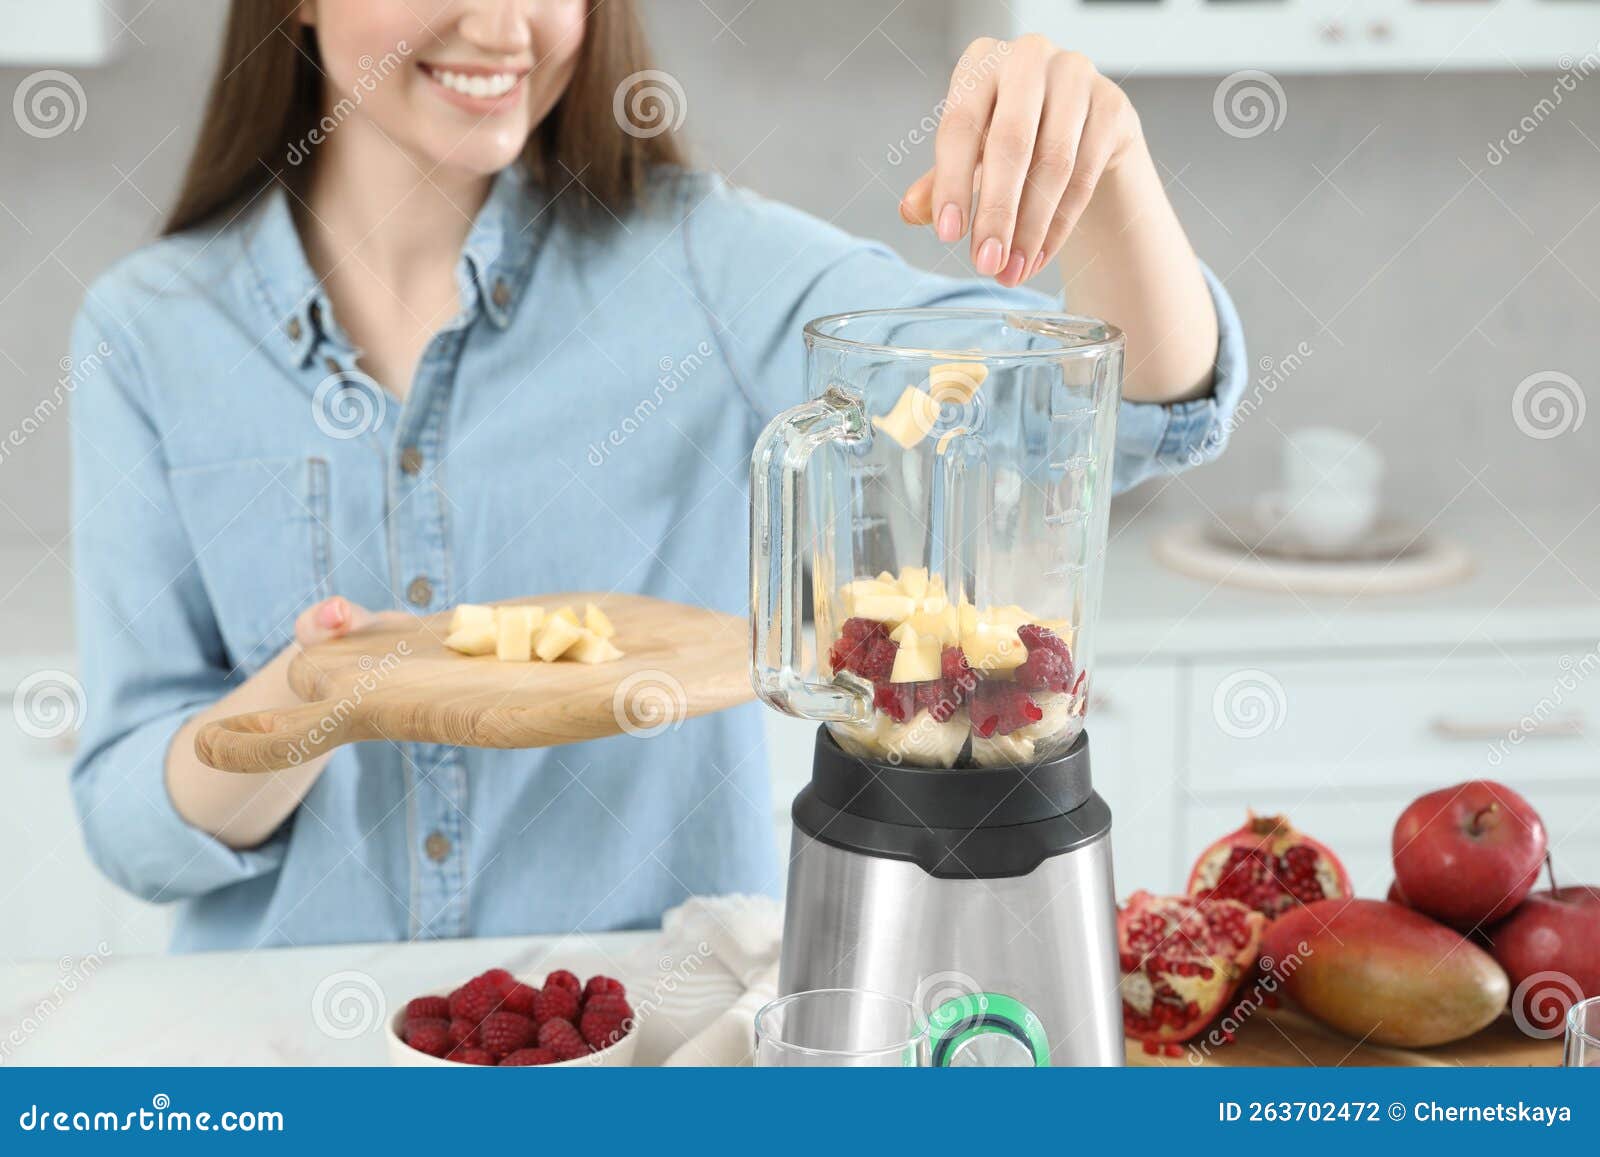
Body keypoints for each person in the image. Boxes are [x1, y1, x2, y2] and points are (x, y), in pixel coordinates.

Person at [69, 1, 1246, 950]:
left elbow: (1104, 418)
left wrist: (1109, 167)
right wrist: (307, 699)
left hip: (658, 1040)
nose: (503, 25)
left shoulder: (702, 262)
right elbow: (130, 825)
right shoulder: (150, 327)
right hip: (287, 1054)